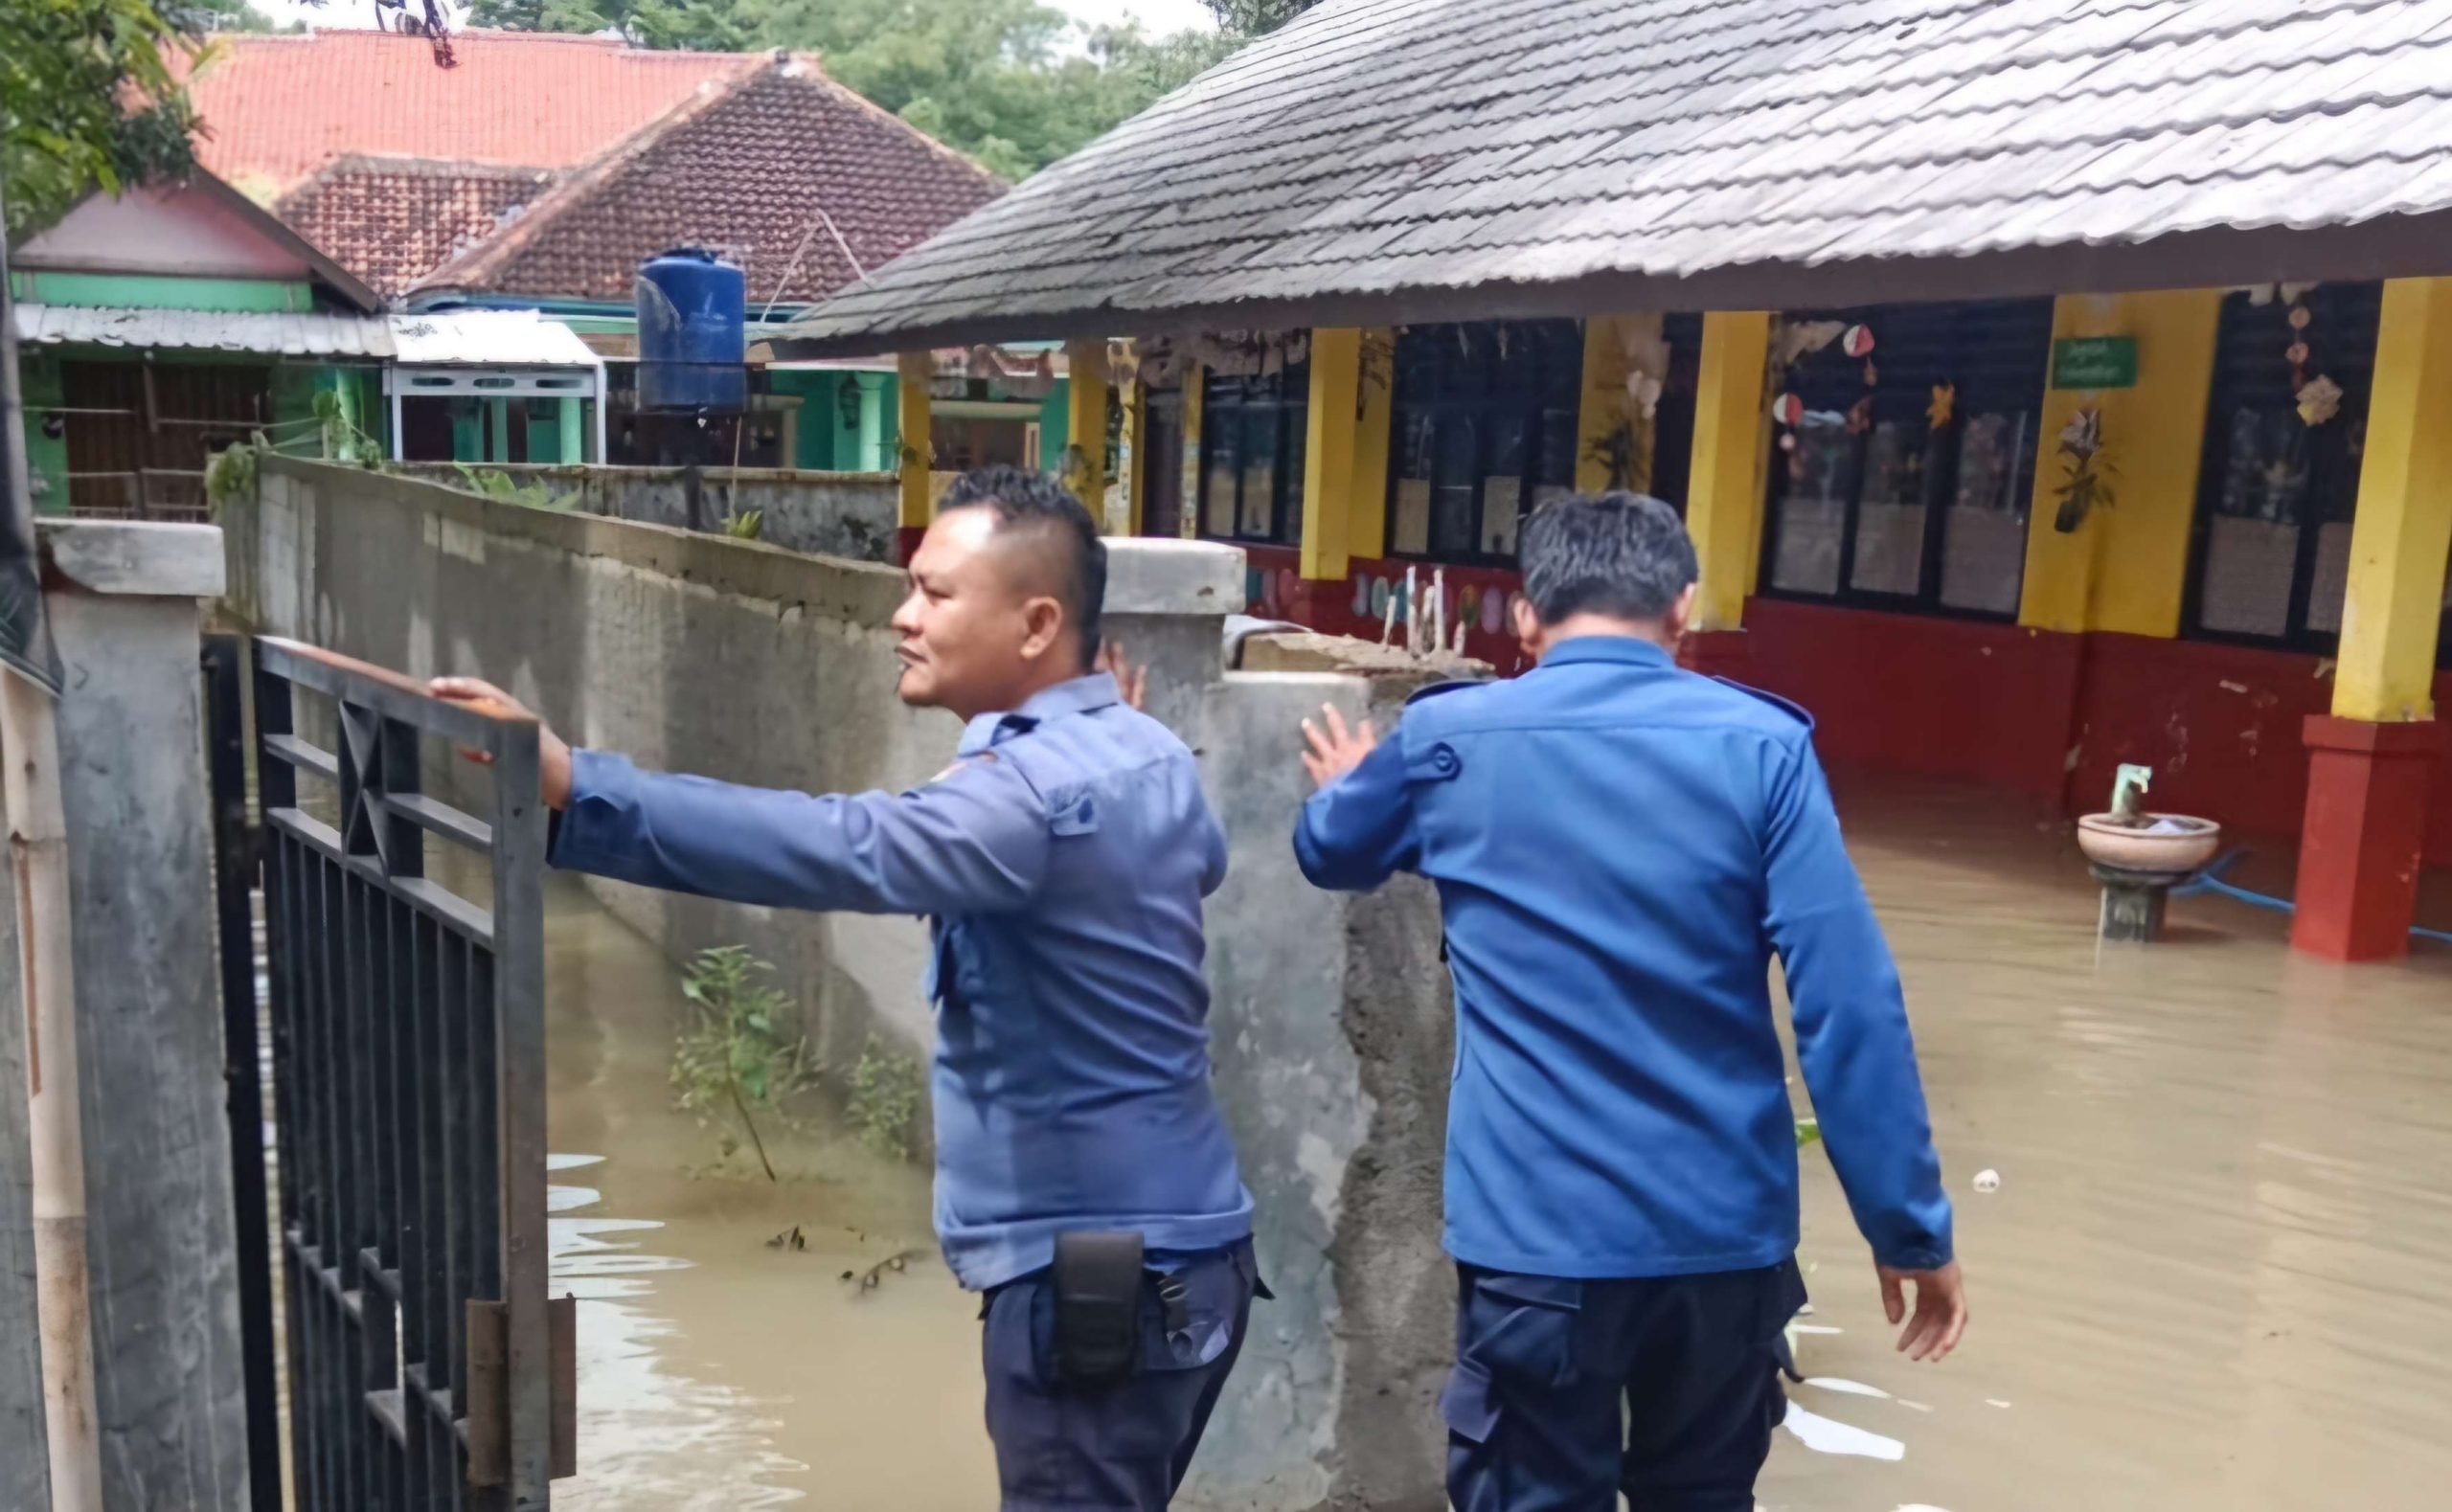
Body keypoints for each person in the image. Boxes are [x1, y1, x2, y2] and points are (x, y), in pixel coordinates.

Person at [434, 465, 1260, 1512]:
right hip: (1195, 1258)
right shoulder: (1141, 749)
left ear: (1037, 621)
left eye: (936, 593)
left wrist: (577, 785)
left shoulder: (1029, 797)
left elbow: (837, 847)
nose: (903, 617)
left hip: (1094, 1281)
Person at [1292, 492, 1964, 1512]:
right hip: (1722, 1248)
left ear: (1525, 617)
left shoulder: (1449, 741)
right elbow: (1849, 1004)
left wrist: (1349, 783)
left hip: (1537, 1249)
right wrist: (1907, 1229)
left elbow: (1331, 852)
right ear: (1682, 607)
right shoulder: (1763, 749)